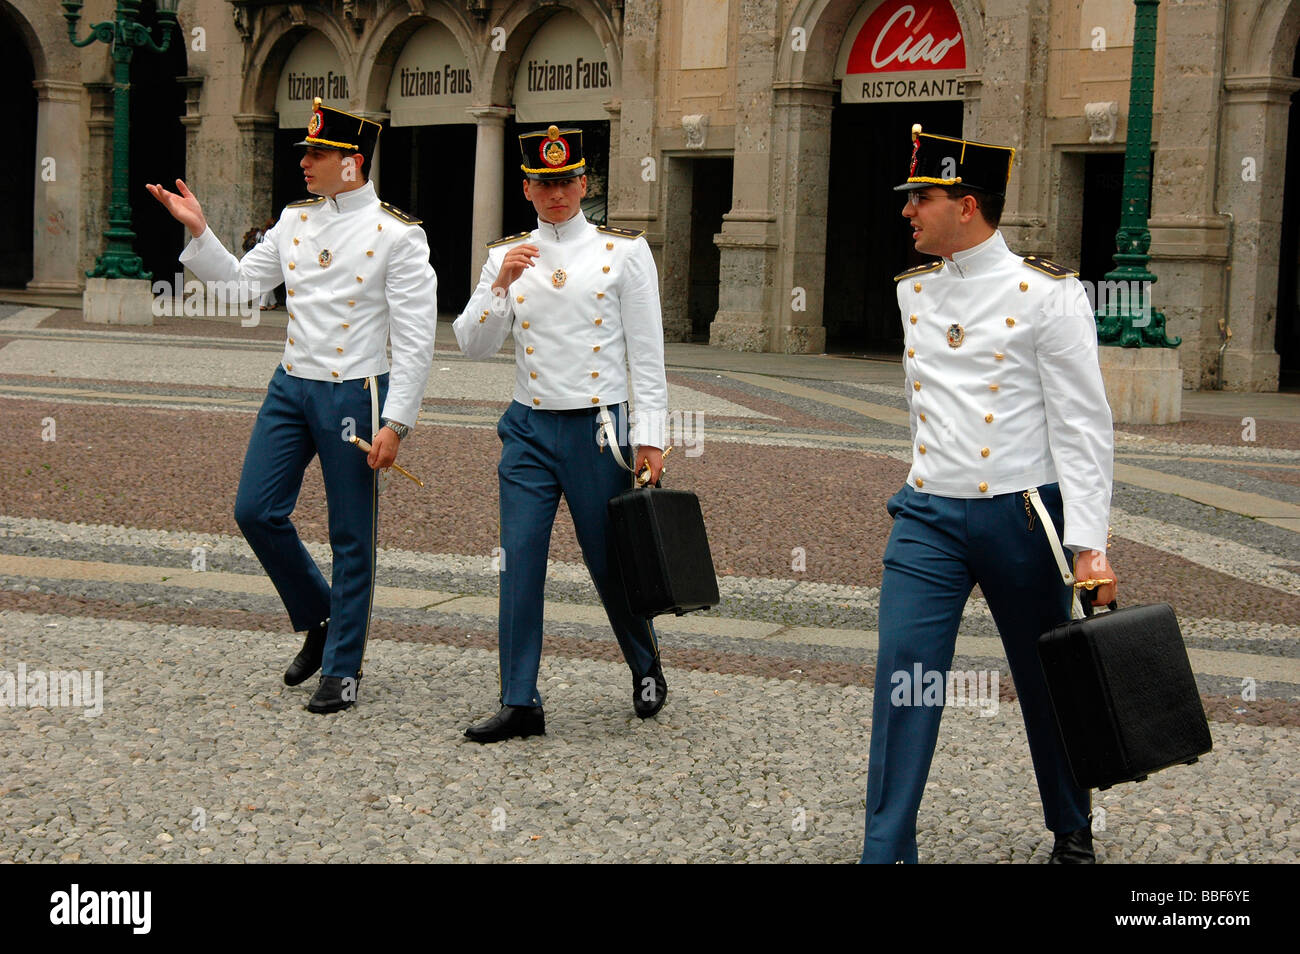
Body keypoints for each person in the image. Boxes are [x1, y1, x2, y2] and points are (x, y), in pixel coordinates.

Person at [860, 125, 1118, 863]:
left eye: (922, 198)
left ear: (966, 206)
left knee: (1047, 677)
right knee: (905, 675)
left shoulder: (1050, 295)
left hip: (1022, 515)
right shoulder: (914, 291)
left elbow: (1083, 427)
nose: (908, 211)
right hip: (928, 514)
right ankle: (886, 849)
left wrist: (1090, 545)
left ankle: (1072, 826)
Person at [147, 97, 437, 713]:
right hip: (292, 383)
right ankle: (320, 616)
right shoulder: (294, 220)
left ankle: (344, 668)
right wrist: (201, 233)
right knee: (255, 510)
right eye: (306, 152)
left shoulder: (400, 235)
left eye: (318, 153)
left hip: (354, 390)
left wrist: (397, 422)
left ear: (352, 163)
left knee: (350, 535)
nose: (304, 162)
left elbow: (416, 339)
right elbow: (244, 289)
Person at [453, 125, 669, 743]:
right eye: (543, 184)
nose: (556, 193)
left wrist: (649, 438)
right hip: (527, 427)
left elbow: (647, 355)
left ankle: (645, 663)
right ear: (526, 188)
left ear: (583, 184)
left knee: (611, 561)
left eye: (567, 181)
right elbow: (472, 345)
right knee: (518, 560)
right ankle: (520, 699)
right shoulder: (507, 255)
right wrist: (499, 285)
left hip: (600, 427)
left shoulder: (624, 252)